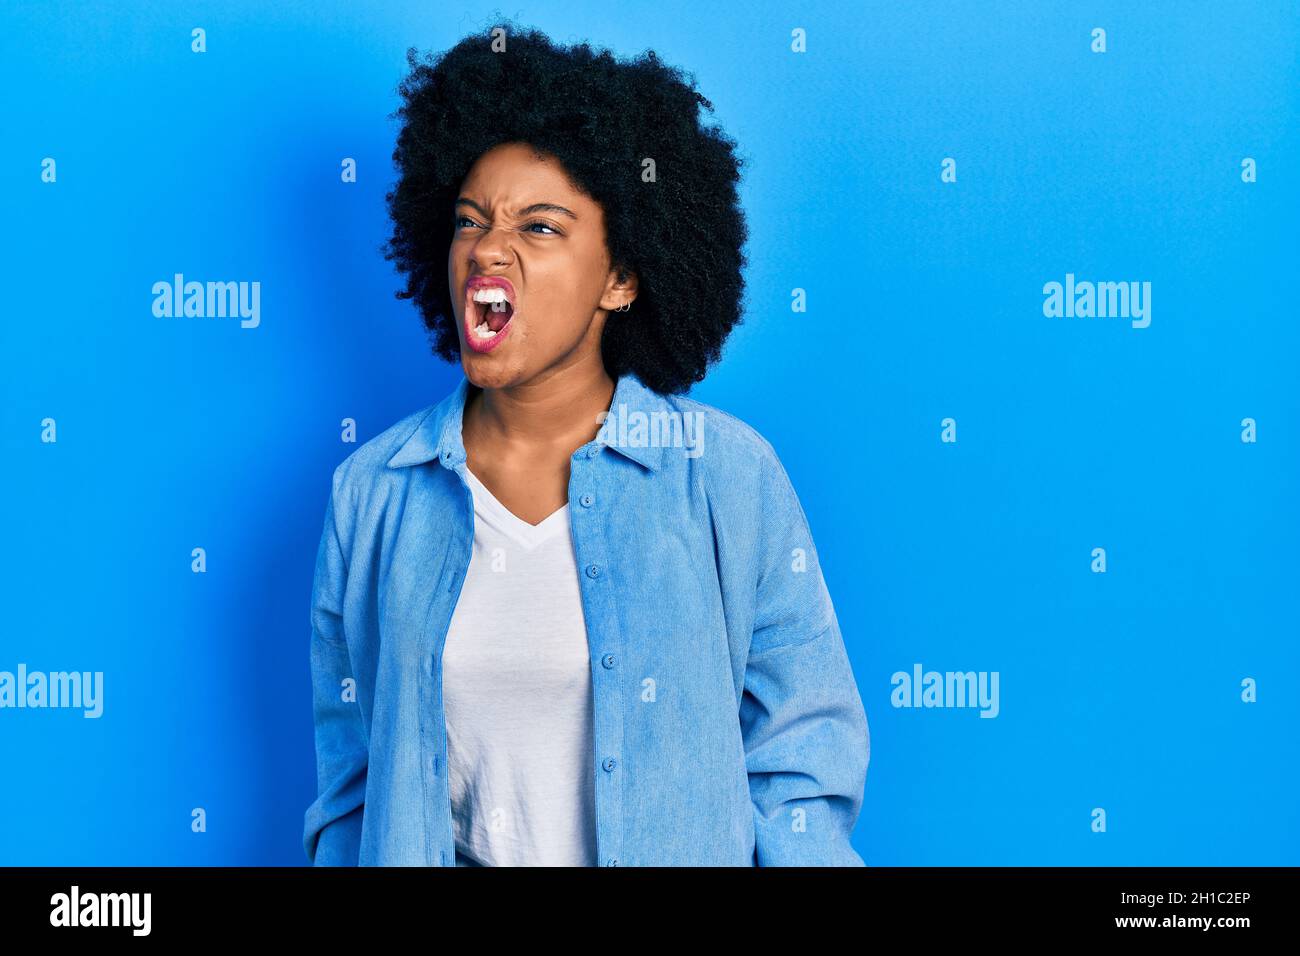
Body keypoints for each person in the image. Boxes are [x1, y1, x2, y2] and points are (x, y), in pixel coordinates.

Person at [303, 21, 869, 867]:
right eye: (470, 221)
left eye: (539, 227)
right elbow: (351, 789)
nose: (488, 248)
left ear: (622, 277)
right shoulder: (373, 494)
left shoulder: (725, 478)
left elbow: (802, 751)